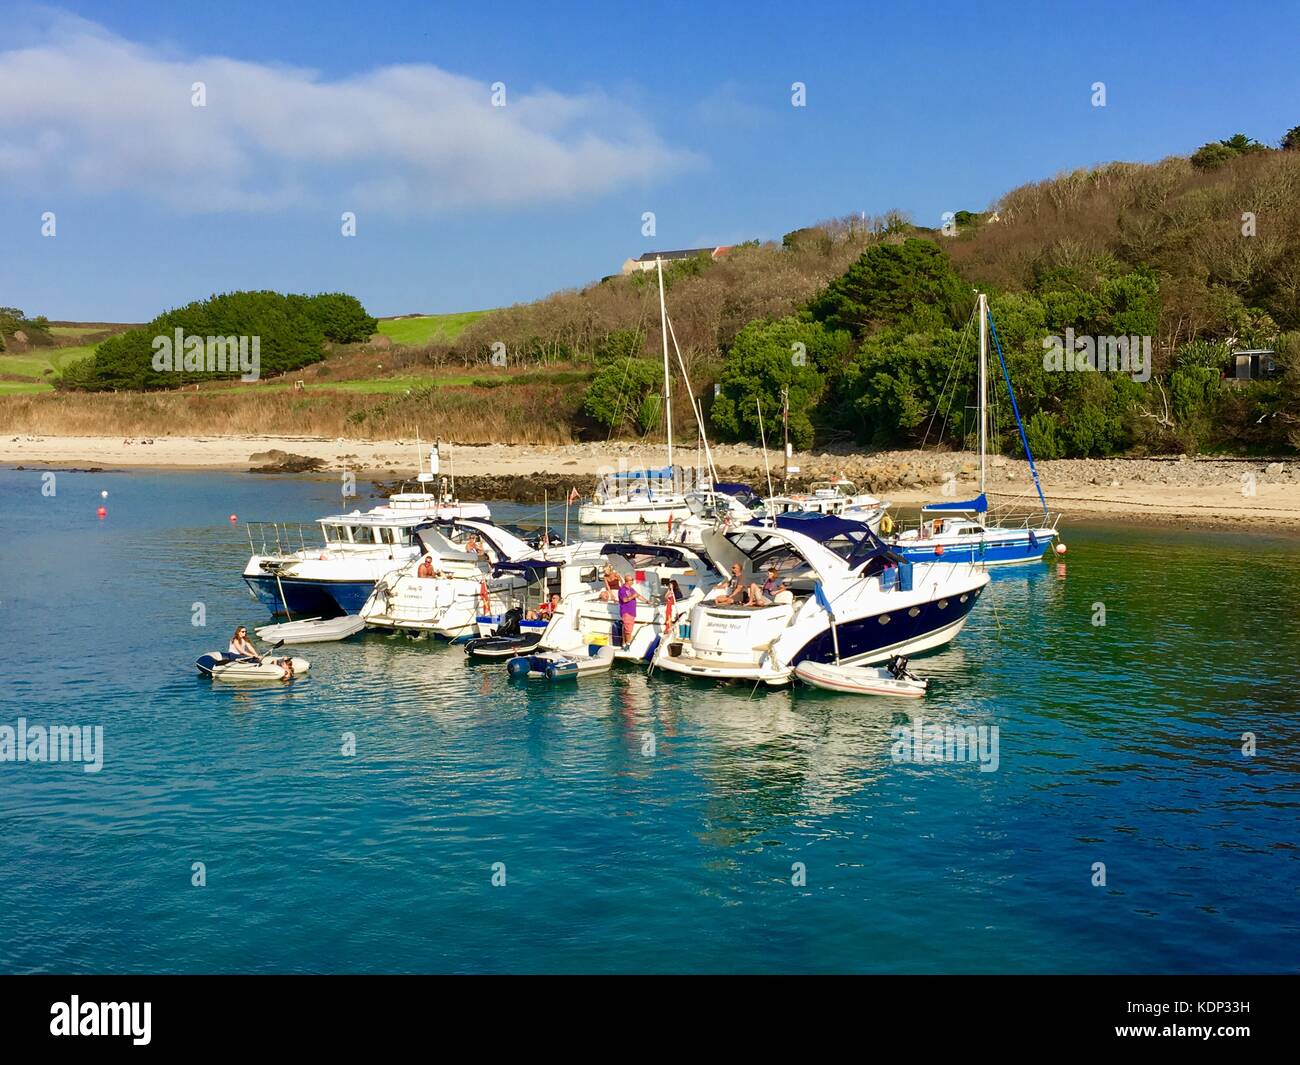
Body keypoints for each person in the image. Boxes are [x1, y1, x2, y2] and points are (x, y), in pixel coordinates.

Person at [617, 573, 647, 649]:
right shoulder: (622, 589)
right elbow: (624, 600)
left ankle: (624, 644)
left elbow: (638, 595)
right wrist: (633, 596)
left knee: (627, 629)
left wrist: (647, 601)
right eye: (632, 580)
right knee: (628, 630)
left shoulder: (631, 589)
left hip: (632, 612)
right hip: (626, 612)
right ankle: (628, 644)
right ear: (628, 581)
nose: (633, 581)